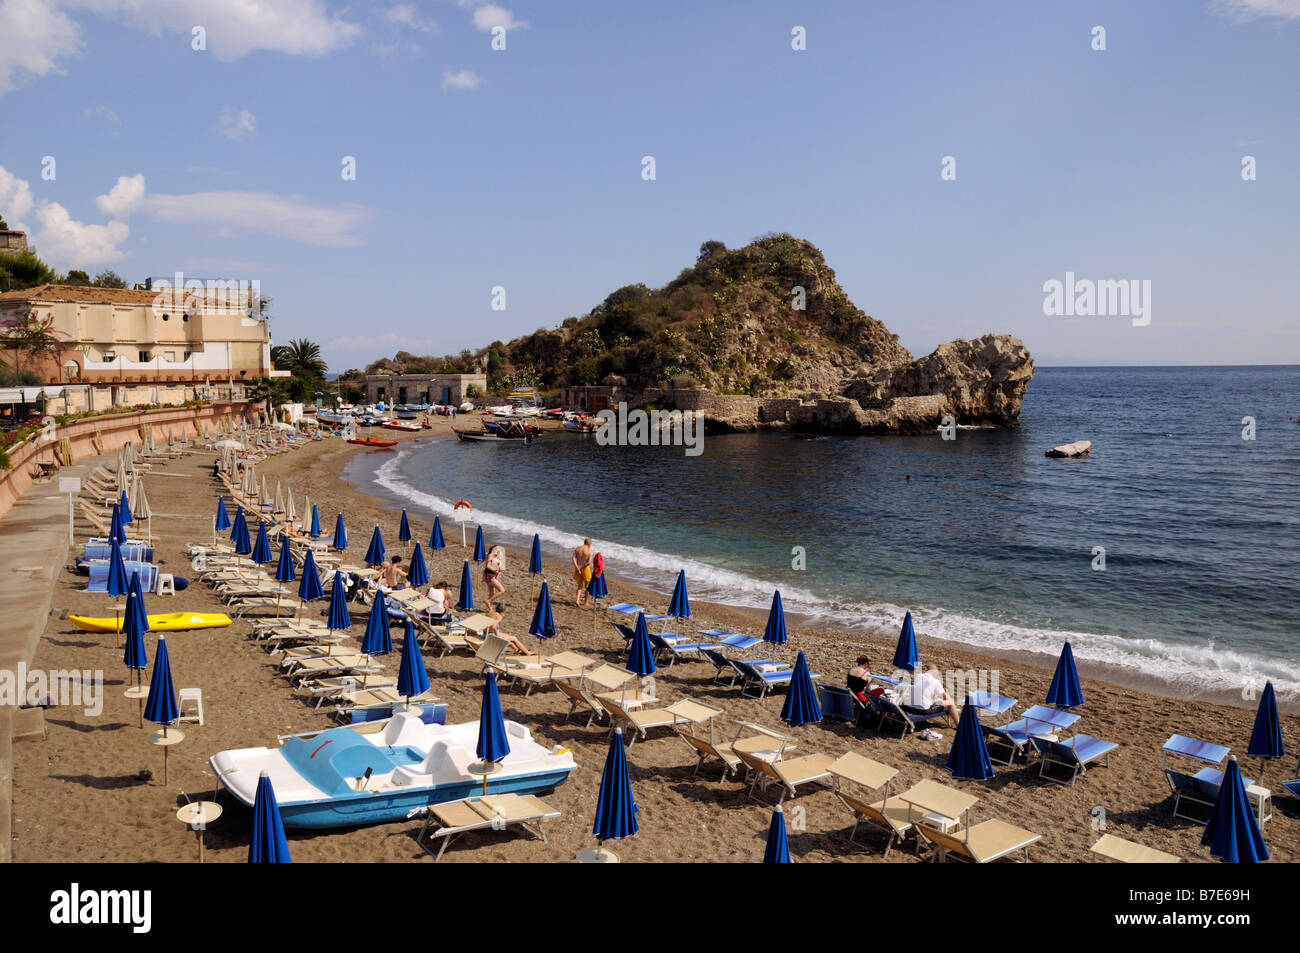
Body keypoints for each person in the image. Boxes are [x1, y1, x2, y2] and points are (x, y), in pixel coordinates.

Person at [906, 663, 960, 738]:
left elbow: (925, 693)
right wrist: (945, 704)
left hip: (909, 708)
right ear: (935, 671)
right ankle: (958, 726)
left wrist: (936, 699)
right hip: (921, 710)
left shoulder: (918, 676)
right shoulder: (935, 681)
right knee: (951, 702)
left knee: (934, 699)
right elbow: (946, 696)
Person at [483, 544, 506, 611]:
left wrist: (498, 568)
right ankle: (488, 601)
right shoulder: (491, 556)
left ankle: (490, 609)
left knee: (492, 593)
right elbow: (487, 566)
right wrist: (495, 571)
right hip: (490, 576)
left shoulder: (496, 557)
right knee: (502, 590)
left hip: (491, 576)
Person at [572, 538, 594, 607]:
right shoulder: (590, 551)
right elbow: (589, 562)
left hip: (577, 568)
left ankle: (577, 600)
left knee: (579, 586)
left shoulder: (578, 548)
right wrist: (581, 567)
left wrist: (577, 567)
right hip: (585, 569)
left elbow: (573, 557)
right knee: (587, 586)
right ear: (589, 544)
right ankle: (586, 602)